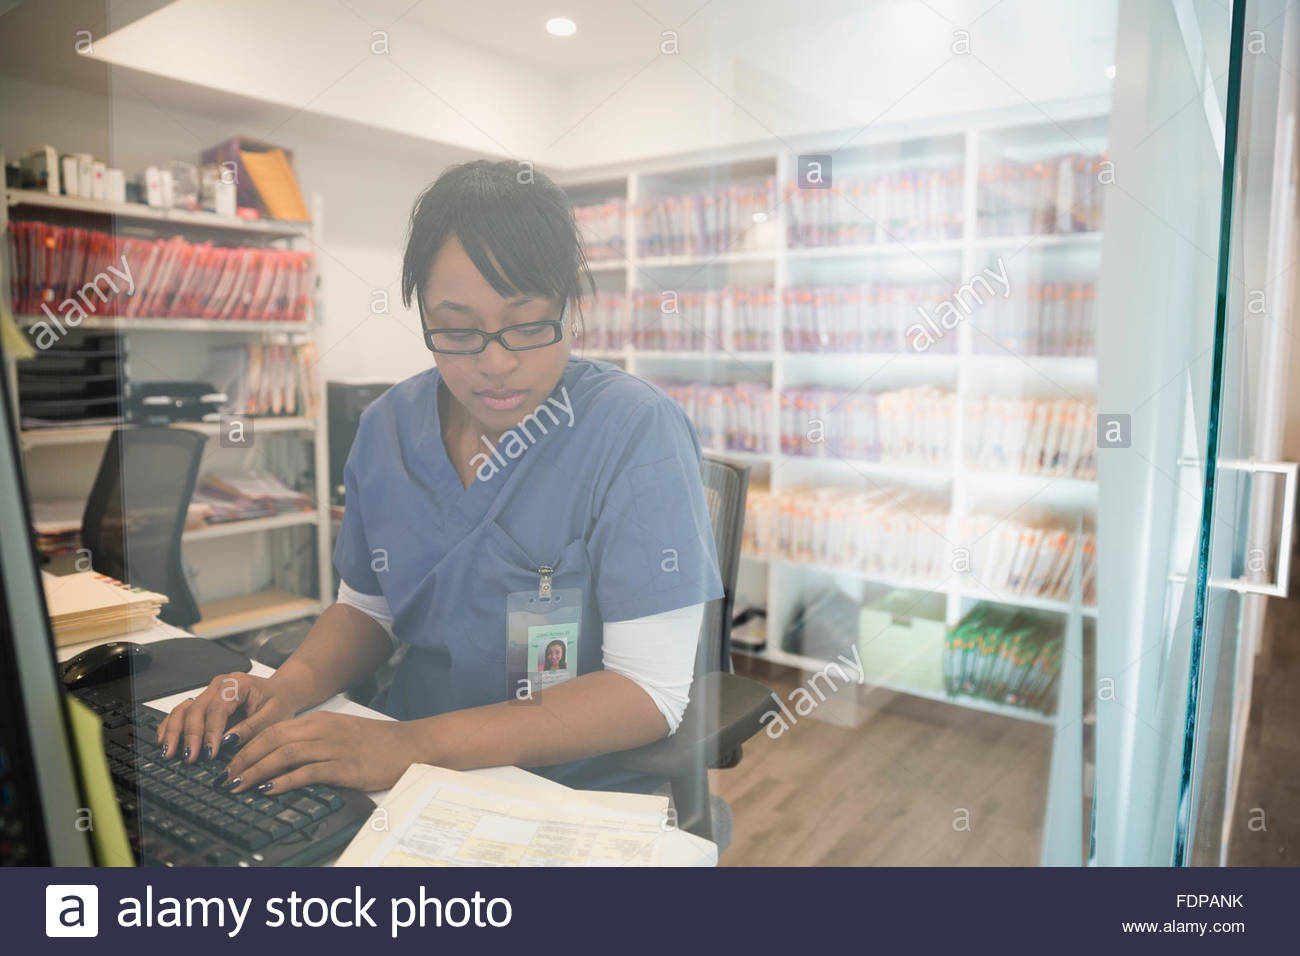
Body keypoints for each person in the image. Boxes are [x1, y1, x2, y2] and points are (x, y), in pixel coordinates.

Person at [156, 160, 724, 795]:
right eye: (457, 330)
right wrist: (283, 688)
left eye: (529, 323)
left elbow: (648, 693)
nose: (497, 362)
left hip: (564, 788)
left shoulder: (633, 431)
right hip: (395, 768)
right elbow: (367, 612)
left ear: (572, 307)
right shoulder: (387, 428)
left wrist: (413, 745)